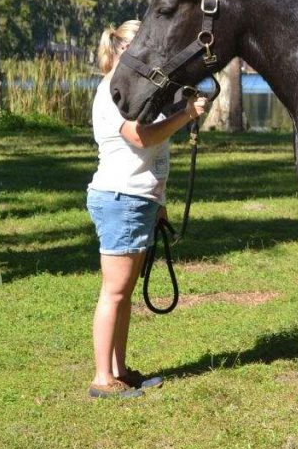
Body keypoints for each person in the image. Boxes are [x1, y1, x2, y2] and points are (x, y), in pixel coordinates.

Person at [85, 20, 207, 398]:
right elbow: (142, 138)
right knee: (115, 292)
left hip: (138, 199)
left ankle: (119, 371)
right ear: (124, 51)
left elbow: (152, 155)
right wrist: (185, 115)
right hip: (120, 197)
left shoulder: (133, 93)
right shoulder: (113, 92)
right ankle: (102, 379)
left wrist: (160, 204)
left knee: (123, 294)